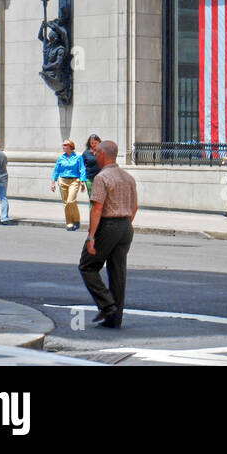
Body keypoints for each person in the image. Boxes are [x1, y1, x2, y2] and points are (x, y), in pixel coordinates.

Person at [80, 141, 138, 329]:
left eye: (96, 153)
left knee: (87, 265)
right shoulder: (128, 177)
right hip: (126, 226)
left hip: (108, 224)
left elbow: (97, 208)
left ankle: (106, 305)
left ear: (103, 155)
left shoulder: (101, 177)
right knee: (117, 272)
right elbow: (135, 206)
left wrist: (91, 236)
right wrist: (126, 224)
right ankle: (115, 319)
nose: (94, 156)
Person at [50, 139, 86, 230]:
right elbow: (56, 170)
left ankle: (76, 220)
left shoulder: (78, 157)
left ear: (70, 146)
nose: (63, 147)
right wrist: (53, 182)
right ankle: (69, 223)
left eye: (65, 145)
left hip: (74, 180)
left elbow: (82, 169)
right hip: (62, 180)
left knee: (71, 201)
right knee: (66, 203)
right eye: (63, 145)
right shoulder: (61, 158)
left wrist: (82, 181)